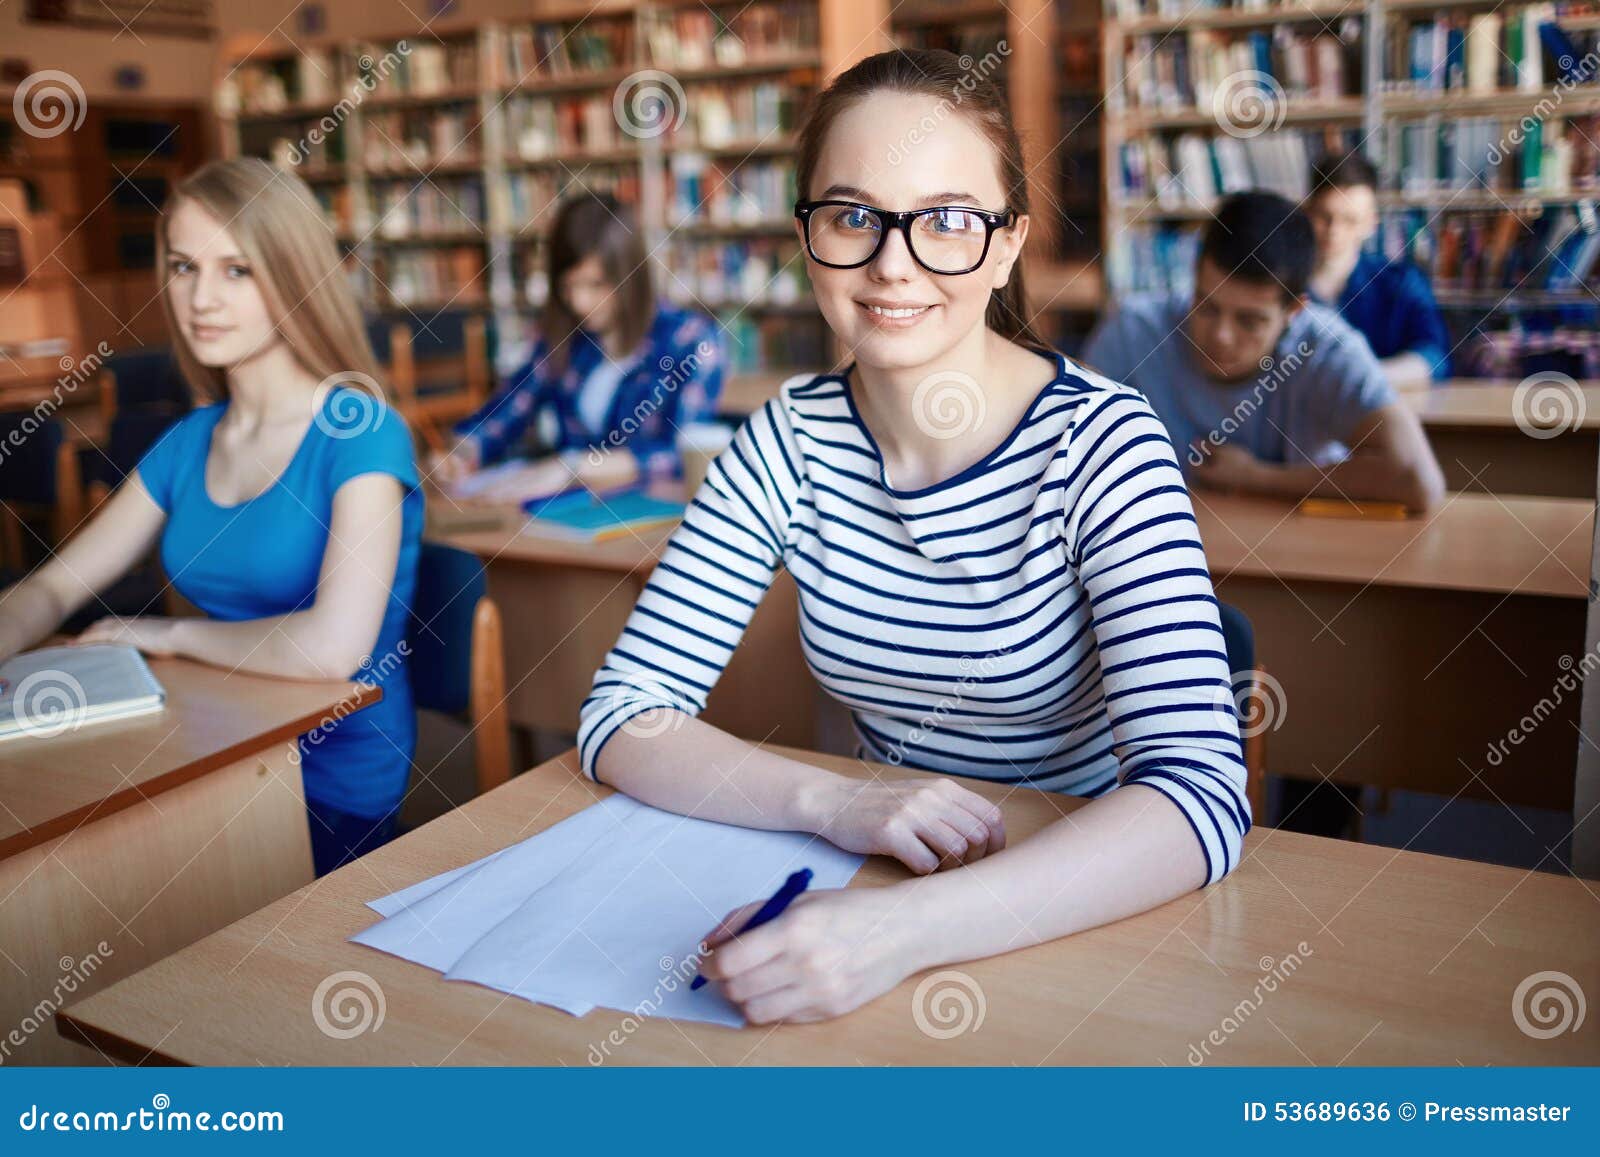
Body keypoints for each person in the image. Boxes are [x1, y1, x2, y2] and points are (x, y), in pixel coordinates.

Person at [574, 49, 1251, 1025]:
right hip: (880, 879)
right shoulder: (784, 439)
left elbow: (1196, 798)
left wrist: (899, 932)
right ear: (806, 238)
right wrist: (836, 804)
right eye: (852, 216)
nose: (892, 263)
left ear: (1007, 245)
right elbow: (622, 715)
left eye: (945, 219)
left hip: (1081, 908)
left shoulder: (1105, 442)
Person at [0, 158, 423, 876]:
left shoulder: (363, 432)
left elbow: (333, 646)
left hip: (330, 790)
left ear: (293, 275)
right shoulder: (188, 442)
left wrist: (164, 632)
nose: (201, 298)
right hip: (209, 751)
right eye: (183, 267)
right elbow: (54, 587)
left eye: (237, 270)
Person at [1082, 191, 1445, 512]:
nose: (1221, 336)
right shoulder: (1133, 330)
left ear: (1294, 311)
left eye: (1249, 321)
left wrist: (1256, 477)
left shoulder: (1327, 348)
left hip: (1295, 567)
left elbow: (1417, 482)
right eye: (1206, 306)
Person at [432, 192, 724, 493]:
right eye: (568, 286)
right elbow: (505, 414)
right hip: (566, 514)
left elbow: (685, 454)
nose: (580, 302)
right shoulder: (562, 336)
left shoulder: (691, 339)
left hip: (650, 520)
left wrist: (573, 466)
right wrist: (462, 454)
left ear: (631, 275)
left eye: (595, 284)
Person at [1305, 153, 1452, 388]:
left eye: (1350, 219)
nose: (1334, 230)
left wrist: (1361, 378)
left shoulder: (1403, 283)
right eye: (1325, 216)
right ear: (1307, 212)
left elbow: (1434, 357)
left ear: (1371, 223)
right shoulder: (1278, 286)